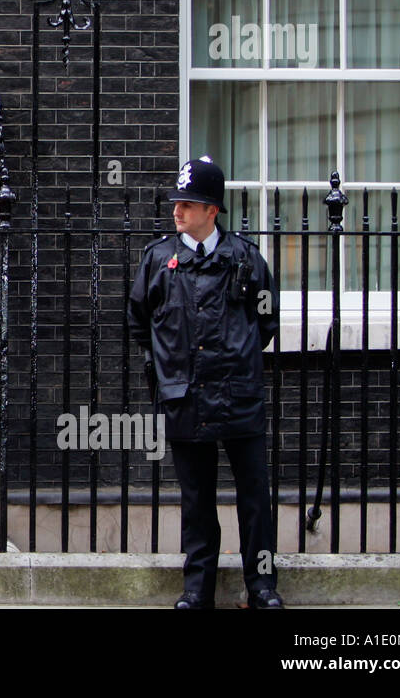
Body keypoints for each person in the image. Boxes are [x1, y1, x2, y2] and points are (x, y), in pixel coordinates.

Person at [127, 156, 284, 609]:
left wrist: (239, 355)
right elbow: (139, 321)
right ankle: (198, 589)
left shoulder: (247, 258)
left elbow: (267, 320)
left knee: (255, 497)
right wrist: (166, 366)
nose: (177, 211)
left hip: (239, 396)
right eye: (177, 202)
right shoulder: (159, 259)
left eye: (188, 203)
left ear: (212, 210)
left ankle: (263, 587)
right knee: (197, 501)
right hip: (185, 395)